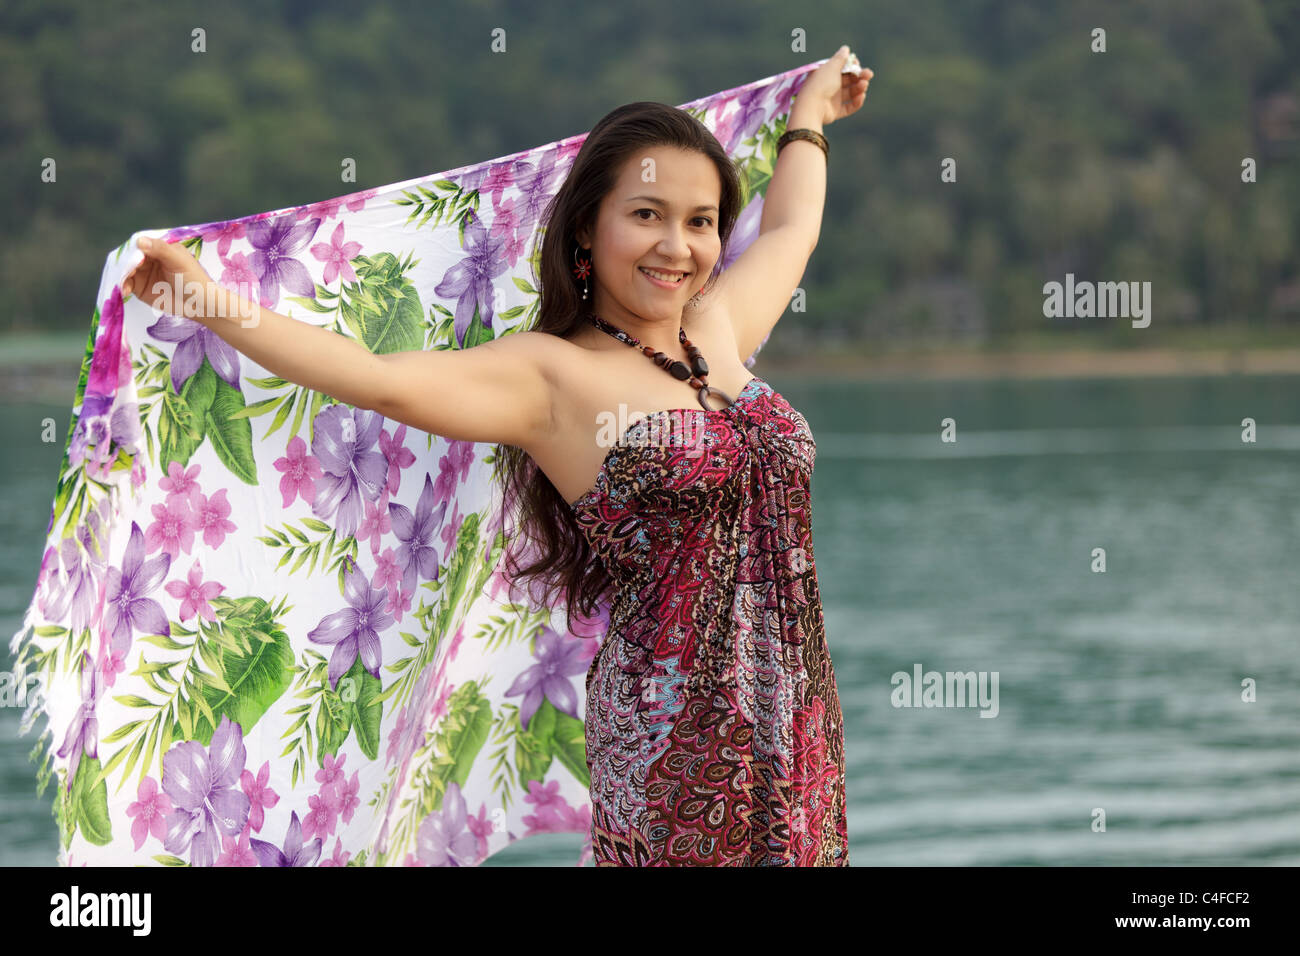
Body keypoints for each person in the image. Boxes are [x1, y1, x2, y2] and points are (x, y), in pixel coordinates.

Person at [121, 46, 872, 865]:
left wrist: (809, 113)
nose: (678, 245)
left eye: (700, 221)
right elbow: (379, 382)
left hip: (792, 717)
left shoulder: (719, 330)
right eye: (647, 214)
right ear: (589, 225)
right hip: (677, 739)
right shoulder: (554, 377)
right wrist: (203, 298)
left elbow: (795, 227)